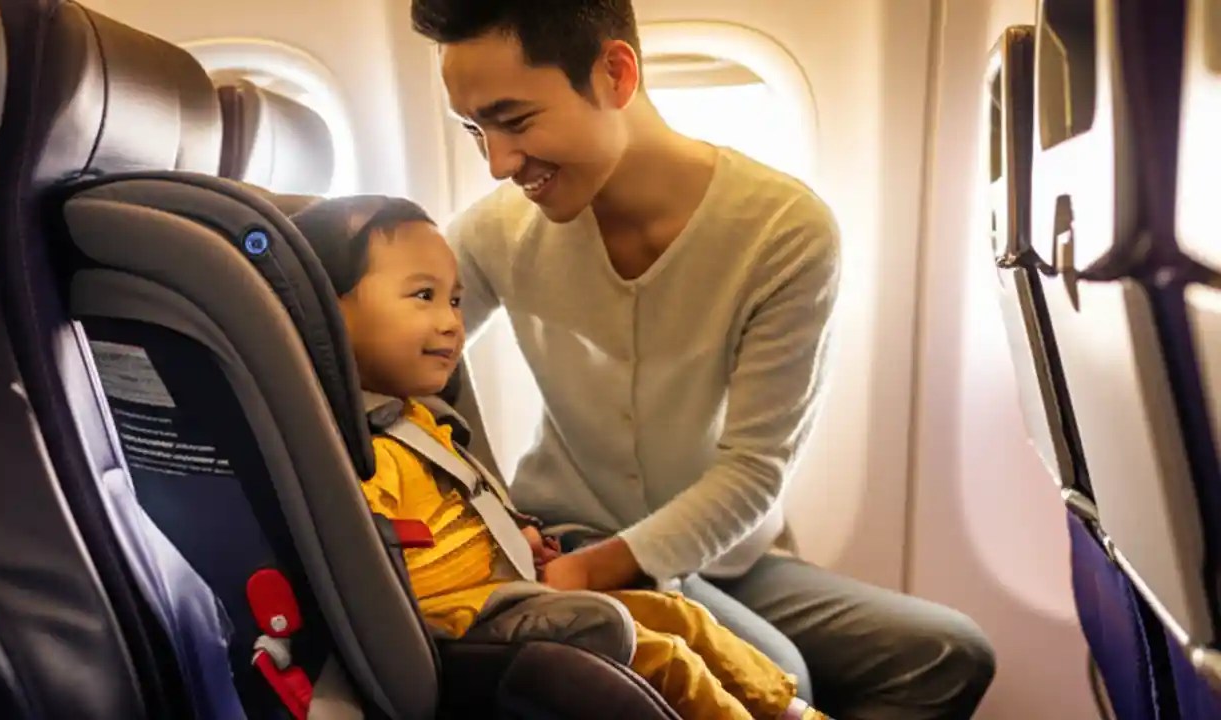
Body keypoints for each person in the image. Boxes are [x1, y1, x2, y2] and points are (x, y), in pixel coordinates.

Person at [408, 1, 997, 718]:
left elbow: (753, 470)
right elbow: (401, 353)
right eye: (475, 131)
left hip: (729, 556)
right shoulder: (496, 234)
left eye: (516, 121)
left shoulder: (783, 232)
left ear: (616, 73)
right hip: (569, 533)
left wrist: (596, 572)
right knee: (781, 681)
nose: (498, 163)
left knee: (948, 653)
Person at [309, 195, 830, 719]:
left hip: (509, 588)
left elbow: (459, 506)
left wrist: (518, 538)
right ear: (325, 309)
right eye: (424, 295)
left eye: (455, 301)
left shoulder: (418, 421)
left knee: (679, 616)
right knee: (663, 654)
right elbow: (369, 570)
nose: (451, 323)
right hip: (468, 619)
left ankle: (794, 714)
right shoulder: (359, 452)